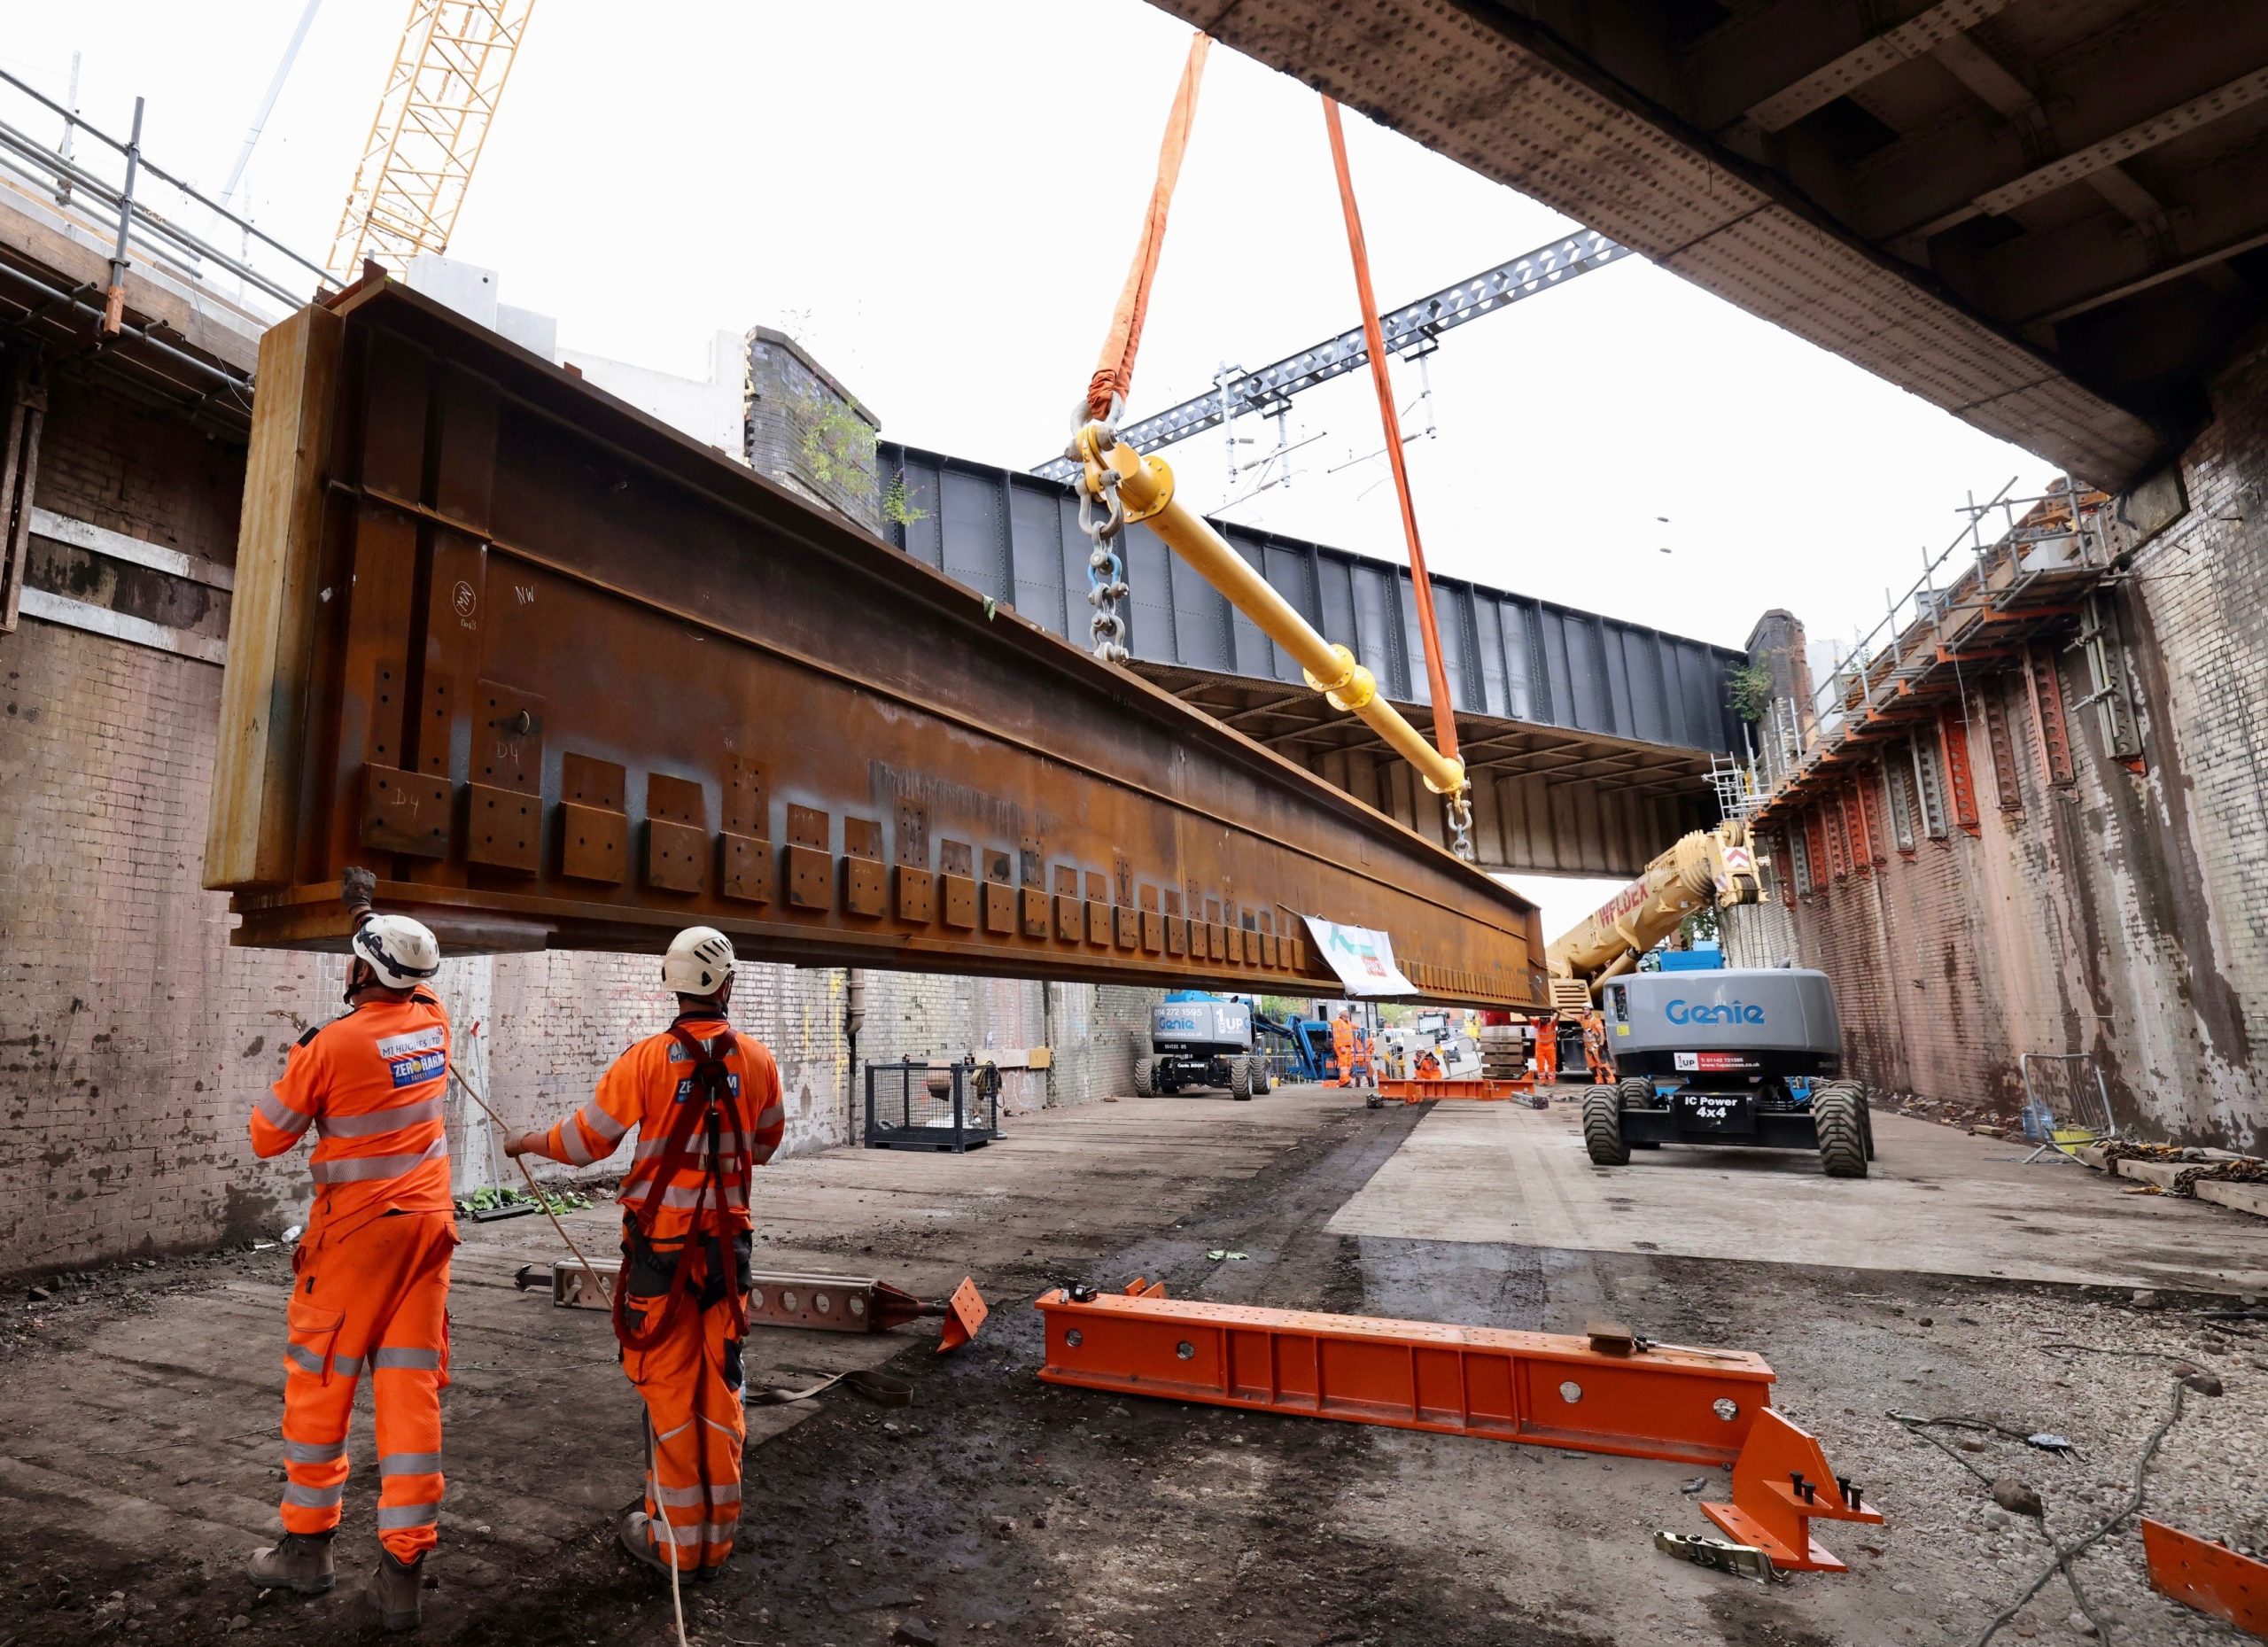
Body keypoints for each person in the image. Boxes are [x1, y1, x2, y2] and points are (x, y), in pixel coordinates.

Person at [507, 928, 785, 1581]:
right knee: (721, 1389)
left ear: (674, 986)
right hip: (726, 1257)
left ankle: (675, 1546)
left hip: (661, 1256)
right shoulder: (758, 1060)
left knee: (668, 1391)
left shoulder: (647, 1061)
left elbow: (586, 1142)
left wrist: (527, 1142)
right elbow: (765, 1145)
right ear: (726, 984)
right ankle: (715, 1541)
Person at [245, 867, 453, 1632]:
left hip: (354, 1244)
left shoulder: (329, 1045)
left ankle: (307, 1552)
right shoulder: (433, 1020)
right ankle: (402, 1580)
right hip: (425, 1238)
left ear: (362, 972)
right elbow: (403, 969)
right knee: (410, 1399)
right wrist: (364, 910)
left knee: (320, 1389)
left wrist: (298, 1062)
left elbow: (267, 1136)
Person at [1331, 1009, 1355, 1088]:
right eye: (1346, 1012)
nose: (1348, 1013)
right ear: (1341, 1014)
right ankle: (1346, 1081)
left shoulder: (1347, 1022)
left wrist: (1360, 1027)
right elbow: (1336, 1036)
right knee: (1343, 1065)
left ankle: (1343, 1081)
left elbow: (1352, 1026)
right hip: (1342, 1047)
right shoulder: (1337, 1022)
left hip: (1348, 1046)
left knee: (1348, 1064)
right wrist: (1341, 1046)